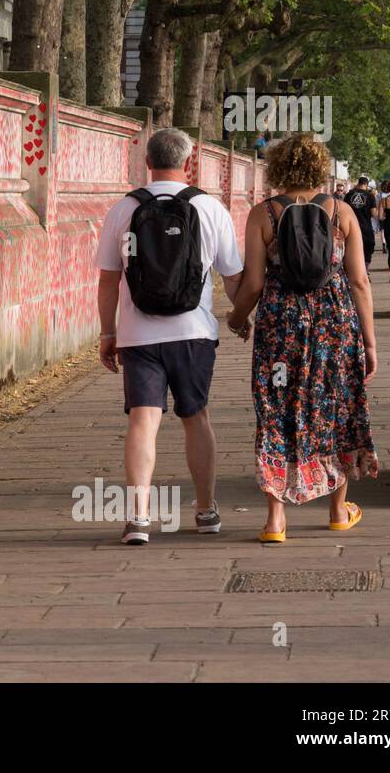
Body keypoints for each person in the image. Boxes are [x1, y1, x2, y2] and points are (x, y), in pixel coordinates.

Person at [226, 135, 378, 543]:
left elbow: (254, 282)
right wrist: (369, 342)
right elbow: (360, 281)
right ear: (319, 169)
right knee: (336, 406)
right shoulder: (341, 211)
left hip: (281, 325)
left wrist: (236, 317)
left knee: (276, 409)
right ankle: (337, 510)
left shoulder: (263, 214)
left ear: (277, 169)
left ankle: (276, 520)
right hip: (334, 323)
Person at [97, 128, 244, 545]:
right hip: (194, 332)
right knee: (195, 417)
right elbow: (232, 277)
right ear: (189, 163)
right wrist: (241, 316)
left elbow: (109, 280)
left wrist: (108, 333)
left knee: (144, 420)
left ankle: (139, 518)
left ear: (147, 162)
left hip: (137, 333)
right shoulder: (209, 208)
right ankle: (206, 511)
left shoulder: (123, 209)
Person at [344, 177, 376, 267]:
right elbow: (373, 214)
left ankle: (354, 268)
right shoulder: (370, 196)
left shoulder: (349, 195)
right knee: (367, 249)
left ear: (358, 183)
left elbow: (345, 210)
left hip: (351, 226)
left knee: (352, 249)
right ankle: (365, 270)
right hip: (366, 226)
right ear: (366, 184)